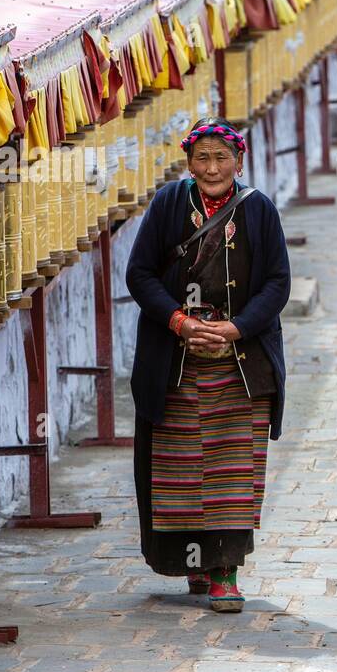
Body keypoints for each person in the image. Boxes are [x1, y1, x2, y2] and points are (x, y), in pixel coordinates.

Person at [126, 117, 291, 612]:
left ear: (238, 162)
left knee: (229, 469)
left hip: (238, 363)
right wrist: (178, 321)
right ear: (188, 162)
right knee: (179, 467)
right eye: (203, 158)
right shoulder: (169, 205)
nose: (213, 167)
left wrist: (237, 328)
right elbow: (139, 273)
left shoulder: (258, 210)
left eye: (222, 157)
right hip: (177, 361)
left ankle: (225, 572)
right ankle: (192, 564)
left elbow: (277, 283)